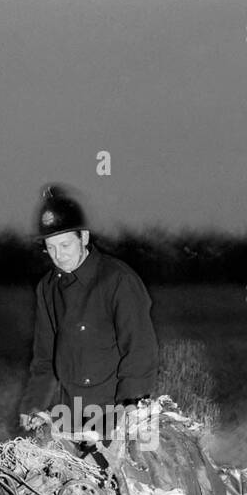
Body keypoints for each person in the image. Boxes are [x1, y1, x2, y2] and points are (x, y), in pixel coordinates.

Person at [17, 187, 159, 445]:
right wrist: (34, 403)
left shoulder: (117, 279)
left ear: (83, 237)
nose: (59, 255)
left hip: (117, 409)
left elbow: (139, 346)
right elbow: (44, 356)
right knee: (66, 481)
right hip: (70, 411)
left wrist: (131, 404)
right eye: (50, 248)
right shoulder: (48, 288)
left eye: (65, 244)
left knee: (131, 481)